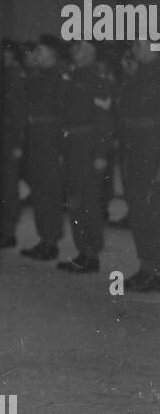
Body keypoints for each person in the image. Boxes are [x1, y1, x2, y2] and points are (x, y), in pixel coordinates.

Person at [57, 40, 114, 274]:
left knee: (89, 201)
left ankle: (91, 254)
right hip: (72, 147)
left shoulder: (98, 81)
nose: (74, 51)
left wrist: (101, 153)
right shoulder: (72, 78)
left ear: (90, 53)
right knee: (75, 201)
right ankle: (82, 250)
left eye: (79, 47)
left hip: (89, 148)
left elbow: (104, 120)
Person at [117, 38, 160, 290]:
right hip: (135, 152)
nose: (134, 49)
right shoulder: (137, 75)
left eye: (139, 44)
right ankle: (147, 267)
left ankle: (155, 270)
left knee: (153, 211)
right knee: (139, 211)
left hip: (153, 152)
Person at [20, 35, 65, 261]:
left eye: (40, 50)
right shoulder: (34, 77)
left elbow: (63, 116)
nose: (35, 55)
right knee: (39, 193)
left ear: (52, 53)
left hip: (50, 142)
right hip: (36, 141)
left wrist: (60, 148)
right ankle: (44, 238)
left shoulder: (60, 78)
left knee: (49, 193)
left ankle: (51, 241)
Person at [0, 40, 26, 247]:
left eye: (7, 53)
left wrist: (18, 143)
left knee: (8, 188)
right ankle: (3, 229)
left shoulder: (15, 76)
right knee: (1, 186)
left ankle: (8, 230)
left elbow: (19, 114)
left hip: (9, 139)